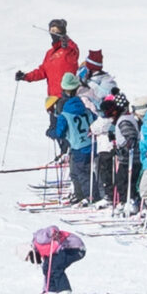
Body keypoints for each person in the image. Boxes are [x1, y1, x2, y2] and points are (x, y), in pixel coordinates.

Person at [15, 19, 81, 147]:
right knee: (55, 128)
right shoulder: (49, 53)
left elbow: (74, 53)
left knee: (68, 127)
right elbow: (42, 71)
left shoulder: (68, 50)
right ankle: (63, 151)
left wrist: (67, 41)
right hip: (53, 98)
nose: (53, 33)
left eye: (56, 31)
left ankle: (70, 151)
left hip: (67, 95)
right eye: (51, 30)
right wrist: (25, 76)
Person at [54, 73, 95, 204]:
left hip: (77, 146)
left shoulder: (64, 113)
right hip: (90, 143)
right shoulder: (85, 109)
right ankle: (84, 194)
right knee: (85, 171)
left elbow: (59, 132)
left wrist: (52, 132)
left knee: (79, 172)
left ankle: (87, 196)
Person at [26, 226, 87, 294]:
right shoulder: (45, 251)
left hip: (75, 248)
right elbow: (48, 273)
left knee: (56, 267)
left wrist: (53, 232)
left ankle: (65, 292)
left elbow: (52, 228)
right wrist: (45, 290)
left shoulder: (39, 239)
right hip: (63, 250)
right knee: (47, 268)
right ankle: (51, 292)